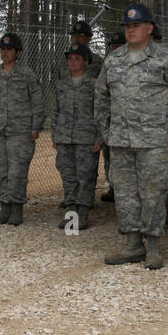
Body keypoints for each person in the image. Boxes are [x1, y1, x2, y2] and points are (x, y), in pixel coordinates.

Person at [95, 3, 168, 269]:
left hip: (155, 142)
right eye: (128, 26)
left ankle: (152, 245)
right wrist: (107, 131)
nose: (131, 30)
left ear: (149, 28)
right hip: (121, 141)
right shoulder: (113, 61)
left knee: (153, 193)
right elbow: (101, 98)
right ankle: (132, 243)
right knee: (126, 194)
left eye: (136, 25)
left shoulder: (167, 60)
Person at [0, 32, 44, 227]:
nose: (5, 53)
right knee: (0, 171)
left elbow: (37, 102)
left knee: (17, 171)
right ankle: (4, 207)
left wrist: (35, 126)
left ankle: (17, 209)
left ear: (18, 52)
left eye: (9, 49)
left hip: (20, 131)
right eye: (3, 49)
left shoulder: (27, 74)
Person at [51, 43, 102, 231]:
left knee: (85, 176)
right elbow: (55, 111)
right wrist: (55, 134)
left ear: (86, 62)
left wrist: (99, 138)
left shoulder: (94, 85)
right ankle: (72, 213)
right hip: (65, 137)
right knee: (68, 175)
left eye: (77, 58)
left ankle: (84, 213)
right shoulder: (61, 84)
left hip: (86, 138)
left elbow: (101, 113)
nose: (72, 62)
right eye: (70, 59)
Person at [100, 30, 126, 204]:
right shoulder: (107, 66)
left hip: (130, 123)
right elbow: (101, 95)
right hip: (112, 122)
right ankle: (113, 187)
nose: (115, 48)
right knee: (109, 157)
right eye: (112, 46)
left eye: (119, 45)